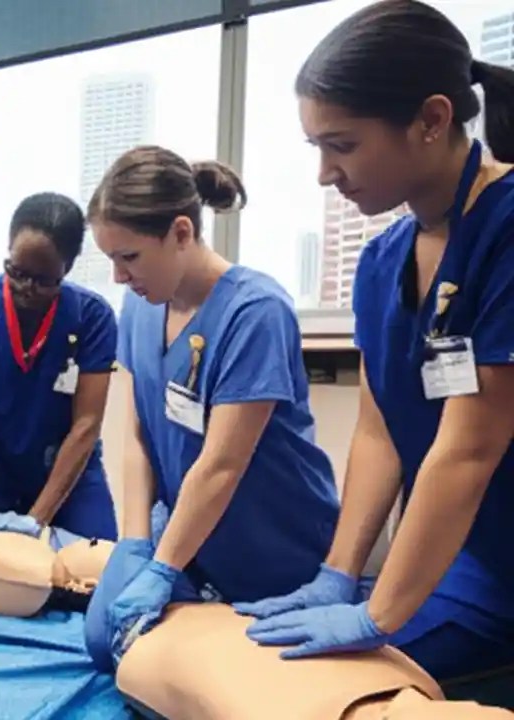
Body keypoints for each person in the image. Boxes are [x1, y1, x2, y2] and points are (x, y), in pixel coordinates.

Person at [235, 0, 514, 688]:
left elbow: (471, 447)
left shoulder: (506, 230)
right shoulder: (381, 261)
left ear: (431, 120)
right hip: (464, 557)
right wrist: (339, 576)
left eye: (343, 145)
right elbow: (378, 432)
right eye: (317, 148)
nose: (325, 173)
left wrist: (380, 615)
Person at [82, 145, 341, 669]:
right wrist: (136, 543)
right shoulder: (140, 307)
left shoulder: (255, 311)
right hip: (186, 538)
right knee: (104, 639)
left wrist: (162, 568)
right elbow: (138, 437)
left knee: (206, 673)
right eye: (110, 260)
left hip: (270, 540)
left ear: (181, 232)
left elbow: (222, 465)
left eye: (129, 257)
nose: (119, 277)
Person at [0, 192, 119, 541]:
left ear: (67, 268)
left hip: (69, 474)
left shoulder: (92, 317)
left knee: (95, 567)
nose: (26, 288)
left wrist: (36, 521)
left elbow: (86, 424)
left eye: (44, 280)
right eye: (16, 272)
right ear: (8, 249)